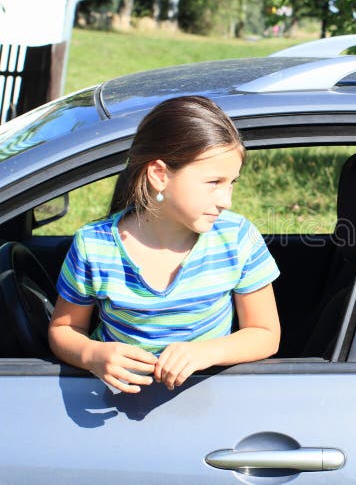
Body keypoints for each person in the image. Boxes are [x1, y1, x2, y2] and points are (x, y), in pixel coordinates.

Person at [49, 95, 280, 394]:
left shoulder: (237, 238)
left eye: (232, 182)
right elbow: (64, 329)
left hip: (206, 408)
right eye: (213, 183)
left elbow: (265, 333)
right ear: (159, 174)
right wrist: (91, 355)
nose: (226, 201)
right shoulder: (95, 245)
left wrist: (206, 352)